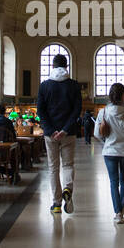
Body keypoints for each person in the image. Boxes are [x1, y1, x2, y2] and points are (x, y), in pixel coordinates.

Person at [37, 51, 82, 214]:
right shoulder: (74, 85)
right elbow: (77, 110)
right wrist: (64, 129)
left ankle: (56, 204)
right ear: (66, 66)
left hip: (50, 135)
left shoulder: (44, 85)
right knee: (68, 165)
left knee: (53, 167)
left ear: (53, 66)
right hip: (68, 133)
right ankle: (68, 189)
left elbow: (40, 111)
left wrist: (50, 130)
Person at [97, 82, 124, 224]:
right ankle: (122, 208)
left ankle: (117, 213)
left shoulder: (103, 112)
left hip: (109, 151)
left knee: (113, 182)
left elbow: (97, 134)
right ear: (123, 95)